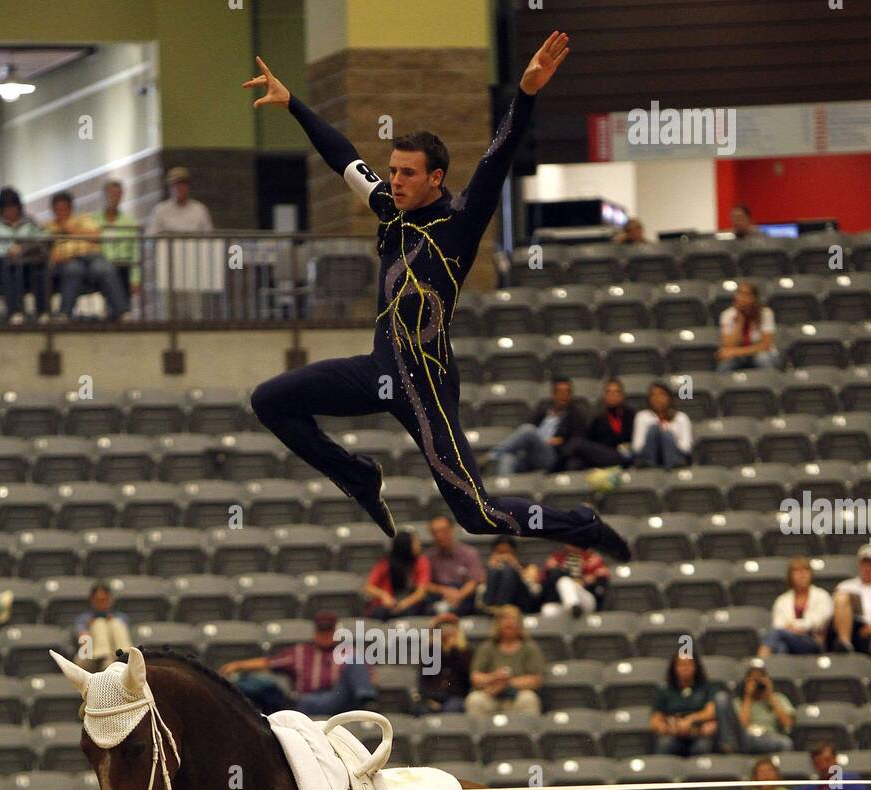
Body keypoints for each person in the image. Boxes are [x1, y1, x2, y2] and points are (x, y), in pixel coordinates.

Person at [244, 38, 630, 562]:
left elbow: (500, 155)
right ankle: (358, 476)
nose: (394, 180)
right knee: (270, 400)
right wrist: (292, 104)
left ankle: (580, 526)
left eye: (406, 173)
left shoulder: (461, 223)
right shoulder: (389, 210)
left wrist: (526, 93)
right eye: (393, 170)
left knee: (477, 515)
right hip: (377, 369)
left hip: (425, 387)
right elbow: (343, 156)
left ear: (435, 178)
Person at [220, 611, 375, 717]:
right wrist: (238, 665)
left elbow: (370, 678)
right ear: (315, 632)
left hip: (338, 699)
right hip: (306, 701)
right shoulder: (301, 653)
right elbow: (270, 662)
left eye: (329, 631)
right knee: (259, 684)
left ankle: (366, 702)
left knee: (355, 660)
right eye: (322, 631)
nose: (325, 636)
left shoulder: (347, 652)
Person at [46, 190, 129, 321]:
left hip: (91, 256)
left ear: (70, 208)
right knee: (73, 270)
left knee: (104, 269)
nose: (61, 212)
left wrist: (69, 230)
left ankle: (122, 311)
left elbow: (95, 235)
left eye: (64, 208)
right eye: (57, 209)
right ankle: (64, 313)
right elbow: (51, 252)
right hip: (67, 260)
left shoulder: (83, 219)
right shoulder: (49, 226)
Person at [0, 187, 48, 324]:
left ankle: (43, 311)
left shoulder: (30, 223)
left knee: (40, 268)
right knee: (8, 267)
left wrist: (26, 247)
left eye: (14, 208)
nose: (11, 212)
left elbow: (43, 236)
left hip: (26, 264)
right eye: (7, 208)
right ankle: (15, 311)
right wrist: (7, 250)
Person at [489, 378, 587, 478]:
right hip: (532, 452)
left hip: (553, 457)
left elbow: (577, 441)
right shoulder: (543, 413)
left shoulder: (575, 416)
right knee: (507, 458)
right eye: (560, 392)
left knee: (528, 430)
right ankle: (506, 492)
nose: (563, 396)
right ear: (553, 395)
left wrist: (561, 442)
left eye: (567, 392)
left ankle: (491, 457)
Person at [650, 651, 734, 756]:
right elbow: (655, 719)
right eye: (681, 665)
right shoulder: (664, 690)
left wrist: (691, 720)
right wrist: (668, 728)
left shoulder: (707, 687)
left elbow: (711, 711)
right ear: (674, 668)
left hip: (700, 734)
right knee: (664, 745)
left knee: (702, 747)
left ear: (695, 667)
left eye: (689, 664)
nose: (685, 668)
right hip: (674, 735)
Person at [465, 605, 543, 715]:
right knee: (474, 700)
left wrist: (506, 683)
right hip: (490, 695)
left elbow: (535, 680)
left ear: (520, 624)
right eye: (505, 620)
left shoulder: (530, 648)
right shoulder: (486, 647)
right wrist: (493, 678)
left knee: (529, 699)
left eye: (513, 620)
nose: (509, 623)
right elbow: (475, 677)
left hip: (517, 695)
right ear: (497, 624)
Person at [759, 558, 833, 655]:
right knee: (781, 647)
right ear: (790, 576)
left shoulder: (822, 595)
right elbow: (778, 624)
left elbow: (820, 620)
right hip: (788, 640)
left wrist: (797, 627)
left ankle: (761, 660)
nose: (802, 575)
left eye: (805, 571)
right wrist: (792, 631)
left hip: (813, 641)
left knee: (777, 634)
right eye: (797, 571)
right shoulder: (782, 600)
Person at [559, 378, 635, 473]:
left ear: (622, 396)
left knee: (577, 442)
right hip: (601, 458)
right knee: (573, 463)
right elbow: (590, 443)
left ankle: (555, 462)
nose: (612, 395)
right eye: (609, 392)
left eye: (617, 392)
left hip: (621, 456)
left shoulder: (630, 416)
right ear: (604, 396)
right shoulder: (598, 419)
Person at [423, 514, 485, 615]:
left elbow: (475, 580)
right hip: (439, 595)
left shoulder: (469, 553)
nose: (439, 535)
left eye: (443, 530)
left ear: (452, 530)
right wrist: (444, 590)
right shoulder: (428, 557)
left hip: (464, 595)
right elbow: (424, 584)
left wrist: (459, 595)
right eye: (435, 532)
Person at [92, 179, 140, 304]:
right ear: (104, 195)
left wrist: (135, 279)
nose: (114, 198)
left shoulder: (129, 222)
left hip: (122, 266)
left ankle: (122, 312)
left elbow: (135, 252)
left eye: (118, 194)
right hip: (100, 265)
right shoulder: (93, 220)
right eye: (111, 194)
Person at [364, 530, 431, 619]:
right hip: (386, 607)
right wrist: (384, 596)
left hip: (410, 605)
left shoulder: (421, 562)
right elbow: (368, 587)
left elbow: (421, 592)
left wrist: (403, 604)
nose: (419, 545)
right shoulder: (386, 563)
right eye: (415, 542)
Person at [528, 544, 609, 617]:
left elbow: (601, 582)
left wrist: (583, 582)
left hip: (586, 599)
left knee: (564, 581)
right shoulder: (556, 558)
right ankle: (572, 613)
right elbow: (546, 583)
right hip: (561, 601)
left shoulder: (593, 558)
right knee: (548, 610)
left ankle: (573, 605)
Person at [796, 741, 869, 790]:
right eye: (818, 763)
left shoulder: (850, 781)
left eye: (827, 760)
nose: (824, 766)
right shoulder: (809, 789)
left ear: (835, 759)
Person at [415, 613, 472, 714]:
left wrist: (453, 647)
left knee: (452, 708)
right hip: (432, 696)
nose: (446, 630)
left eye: (450, 627)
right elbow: (423, 680)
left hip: (455, 696)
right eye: (442, 627)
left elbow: (466, 677)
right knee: (422, 709)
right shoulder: (430, 651)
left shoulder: (465, 651)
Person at [734, 659, 794, 753]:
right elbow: (742, 726)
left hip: (771, 737)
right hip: (748, 738)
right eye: (754, 679)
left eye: (760, 678)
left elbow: (788, 724)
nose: (757, 683)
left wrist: (770, 696)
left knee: (786, 743)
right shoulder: (738, 702)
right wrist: (748, 697)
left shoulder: (779, 698)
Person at [716, 281, 778, 372]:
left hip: (762, 353)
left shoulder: (765, 313)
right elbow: (728, 345)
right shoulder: (727, 315)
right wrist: (740, 322)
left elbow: (766, 345)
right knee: (726, 364)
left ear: (754, 298)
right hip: (739, 356)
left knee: (763, 359)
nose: (742, 298)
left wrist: (735, 352)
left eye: (746, 295)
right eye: (739, 294)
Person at [72, 583, 133, 671]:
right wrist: (89, 629)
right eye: (98, 600)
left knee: (115, 623)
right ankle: (102, 655)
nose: (101, 603)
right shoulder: (83, 619)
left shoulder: (121, 618)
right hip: (89, 656)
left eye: (104, 600)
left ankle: (124, 657)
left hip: (114, 657)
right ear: (92, 600)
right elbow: (83, 642)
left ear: (110, 599)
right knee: (99, 624)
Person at [631, 382, 692, 468]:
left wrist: (666, 435)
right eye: (653, 395)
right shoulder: (642, 416)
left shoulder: (681, 418)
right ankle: (651, 470)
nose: (657, 398)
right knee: (654, 429)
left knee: (665, 433)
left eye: (661, 394)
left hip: (675, 457)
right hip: (648, 457)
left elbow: (686, 448)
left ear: (669, 398)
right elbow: (636, 447)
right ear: (649, 399)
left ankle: (670, 468)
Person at [479, 538, 541, 613]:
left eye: (507, 552)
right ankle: (491, 606)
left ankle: (502, 605)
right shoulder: (491, 569)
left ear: (514, 551)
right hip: (494, 599)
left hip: (523, 601)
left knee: (509, 571)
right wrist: (490, 568)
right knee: (495, 572)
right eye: (500, 552)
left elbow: (533, 587)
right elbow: (481, 585)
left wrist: (515, 566)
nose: (504, 556)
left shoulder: (529, 567)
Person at [145, 167, 214, 235]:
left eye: (183, 184)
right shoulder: (160, 210)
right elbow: (150, 237)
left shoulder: (200, 209)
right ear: (169, 187)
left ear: (188, 187)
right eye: (174, 185)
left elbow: (209, 237)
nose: (178, 188)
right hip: (167, 246)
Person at [831, 544, 871, 654]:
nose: (868, 568)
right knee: (841, 597)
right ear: (859, 565)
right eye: (865, 564)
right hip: (854, 629)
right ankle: (845, 646)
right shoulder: (846, 586)